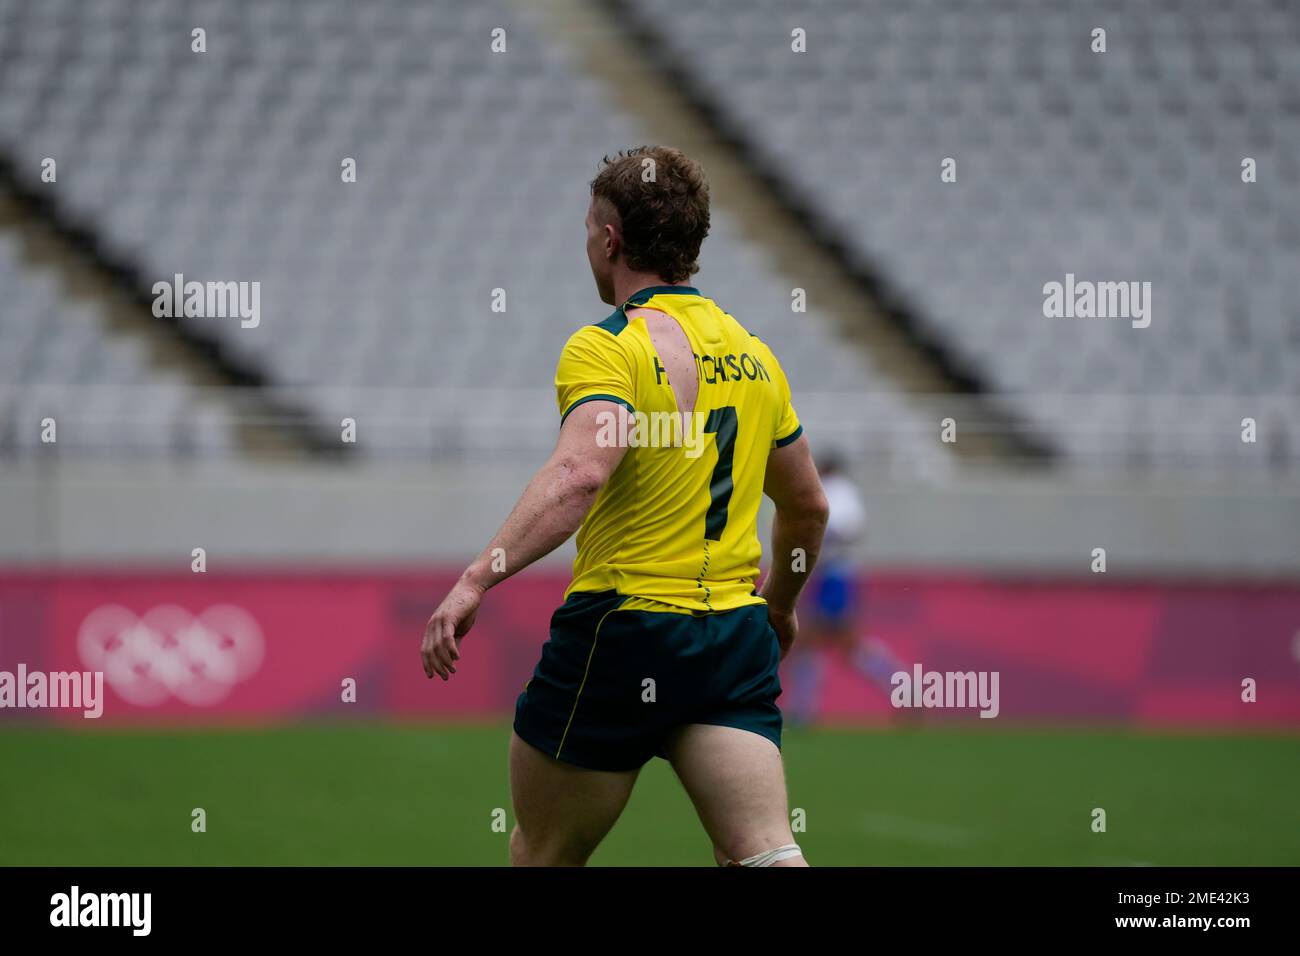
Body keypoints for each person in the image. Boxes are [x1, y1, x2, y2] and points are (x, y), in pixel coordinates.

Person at [421, 146, 828, 867]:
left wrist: (476, 578)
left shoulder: (612, 348)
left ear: (609, 239)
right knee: (764, 853)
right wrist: (781, 606)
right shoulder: (757, 356)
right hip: (732, 639)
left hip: (626, 628)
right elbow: (808, 507)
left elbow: (579, 476)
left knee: (545, 852)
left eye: (587, 229)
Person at [785, 452, 906, 725]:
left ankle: (804, 712)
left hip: (835, 575)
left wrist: (812, 532)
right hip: (830, 575)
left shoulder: (839, 490)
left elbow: (848, 527)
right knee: (830, 645)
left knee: (823, 643)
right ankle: (803, 710)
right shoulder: (835, 490)